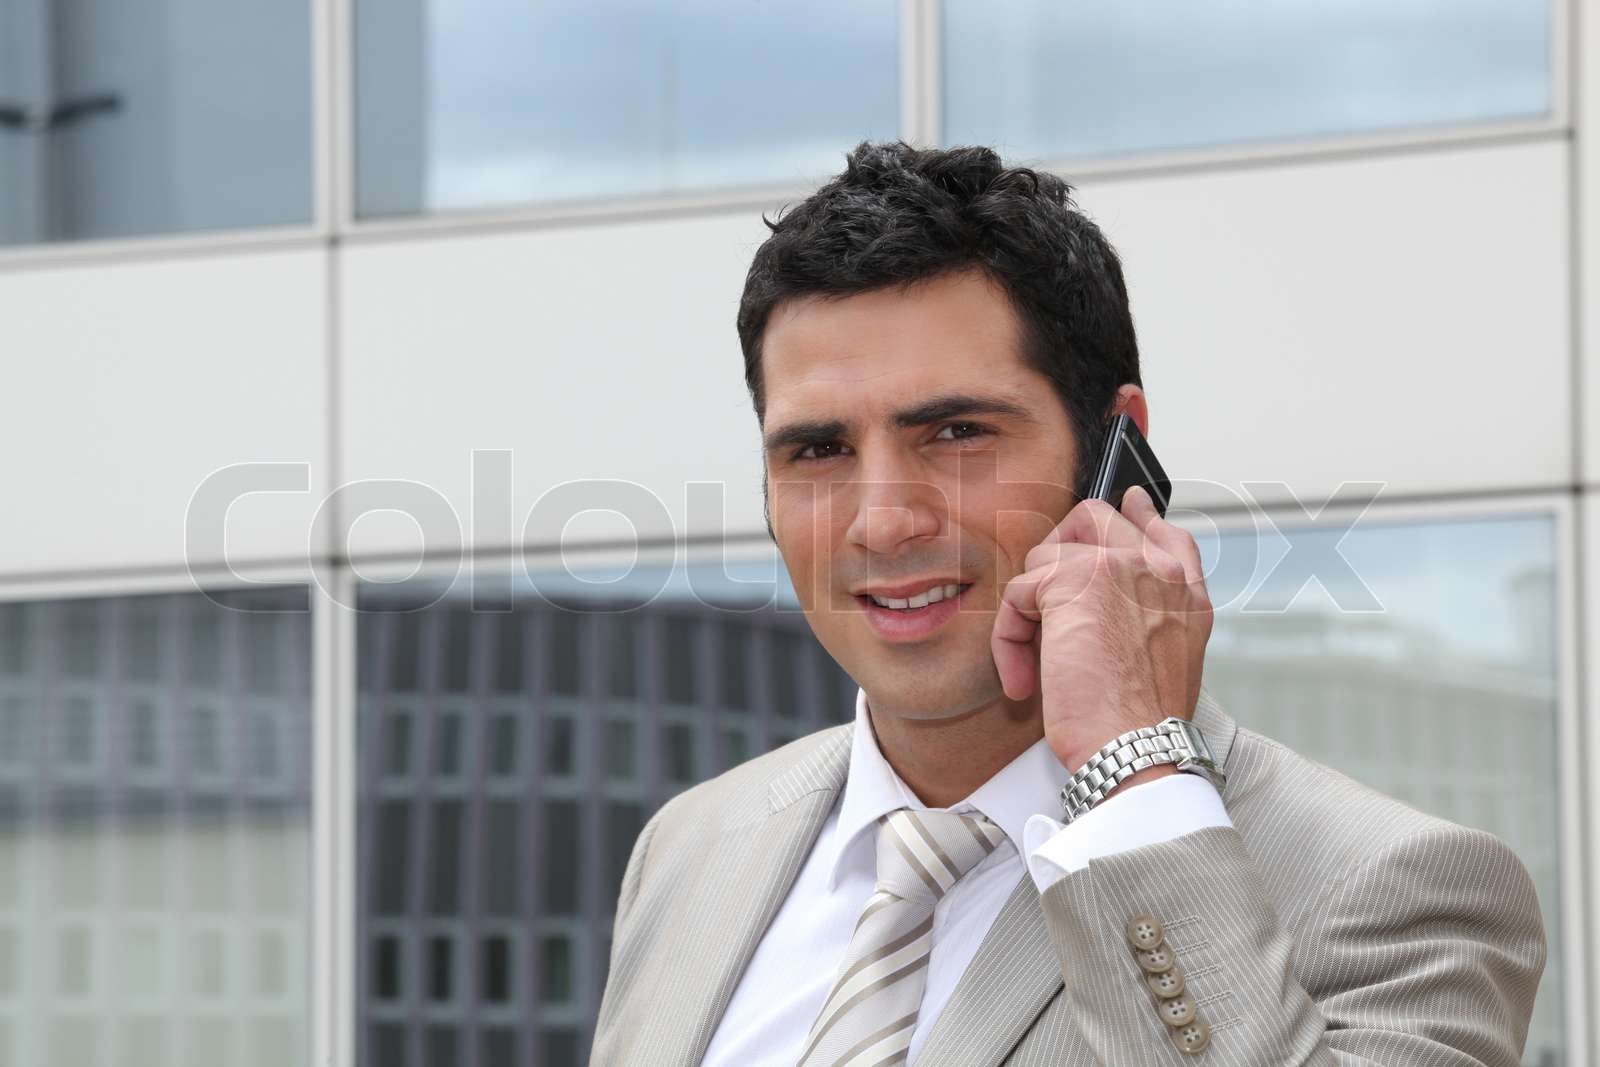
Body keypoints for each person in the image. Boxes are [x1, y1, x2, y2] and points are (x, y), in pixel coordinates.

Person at [590, 141, 1545, 1066]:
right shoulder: (691, 851)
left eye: (957, 431)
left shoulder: (1402, 897)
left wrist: (1134, 776)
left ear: (1113, 445)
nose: (881, 523)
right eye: (817, 451)